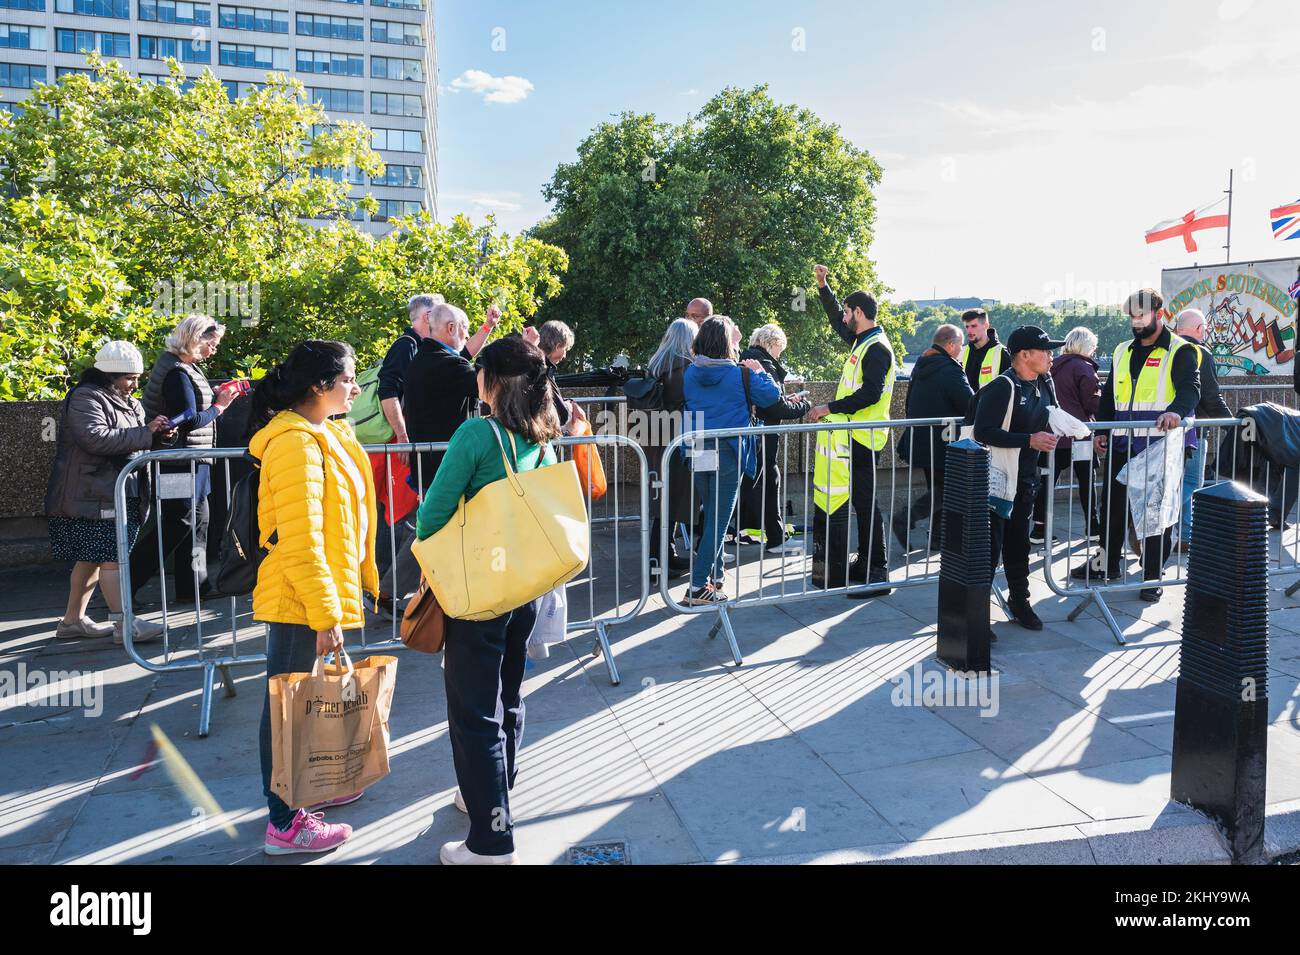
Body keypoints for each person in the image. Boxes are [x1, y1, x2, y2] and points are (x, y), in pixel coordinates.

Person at [414, 335, 565, 865]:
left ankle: (491, 843)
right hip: (524, 588)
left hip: (479, 592)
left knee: (473, 712)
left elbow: (431, 517)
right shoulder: (543, 435)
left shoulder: (477, 434)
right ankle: (491, 797)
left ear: (492, 381)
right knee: (509, 697)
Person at [247, 340, 378, 856]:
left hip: (315, 592)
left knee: (302, 700)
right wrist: (326, 613)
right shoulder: (295, 445)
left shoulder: (330, 433)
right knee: (286, 709)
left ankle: (318, 785)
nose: (356, 387)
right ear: (319, 386)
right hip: (298, 595)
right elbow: (301, 539)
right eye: (348, 379)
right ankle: (283, 822)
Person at [370, 296, 499, 616]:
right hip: (441, 462)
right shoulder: (439, 361)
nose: (467, 335)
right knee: (429, 528)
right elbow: (483, 384)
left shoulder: (427, 357)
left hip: (431, 460)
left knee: (427, 526)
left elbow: (465, 356)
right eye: (465, 328)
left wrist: (486, 328)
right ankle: (390, 591)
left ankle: (398, 590)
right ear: (451, 328)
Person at [1073, 289, 1200, 601]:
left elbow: (1191, 389)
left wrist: (1176, 411)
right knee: (1113, 507)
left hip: (1162, 445)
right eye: (1131, 316)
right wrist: (1102, 430)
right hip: (1122, 442)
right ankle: (1107, 564)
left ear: (1159, 313)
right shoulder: (1121, 351)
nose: (1136, 321)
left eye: (1141, 315)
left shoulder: (1180, 350)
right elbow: (1109, 398)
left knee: (1157, 513)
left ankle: (1152, 576)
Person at [46, 342, 172, 644]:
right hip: (95, 493)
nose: (135, 384)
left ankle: (72, 621)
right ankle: (125, 624)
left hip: (111, 490)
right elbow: (95, 439)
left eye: (138, 377)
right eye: (129, 377)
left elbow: (136, 439)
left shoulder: (125, 399)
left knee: (92, 558)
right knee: (112, 557)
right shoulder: (85, 396)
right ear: (109, 375)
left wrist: (159, 434)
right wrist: (146, 432)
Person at [131, 315, 235, 604]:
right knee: (180, 523)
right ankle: (127, 583)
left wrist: (211, 397)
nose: (213, 350)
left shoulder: (180, 367)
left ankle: (194, 587)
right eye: (210, 343)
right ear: (194, 338)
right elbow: (190, 418)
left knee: (196, 521)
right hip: (179, 459)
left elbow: (186, 407)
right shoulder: (178, 372)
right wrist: (220, 406)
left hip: (188, 458)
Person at [682, 317, 781, 604]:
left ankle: (717, 578)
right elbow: (772, 396)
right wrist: (759, 370)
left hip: (697, 447)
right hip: (729, 450)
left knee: (711, 514)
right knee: (719, 519)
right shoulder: (740, 374)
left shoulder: (690, 373)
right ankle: (698, 586)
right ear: (727, 344)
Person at [808, 264, 894, 592]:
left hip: (865, 436)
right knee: (861, 501)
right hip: (855, 434)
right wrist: (822, 286)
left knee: (866, 502)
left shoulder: (877, 348)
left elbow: (870, 393)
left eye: (847, 312)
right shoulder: (863, 341)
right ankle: (869, 562)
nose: (844, 318)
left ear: (859, 312)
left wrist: (827, 407)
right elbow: (833, 321)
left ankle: (877, 569)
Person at [973, 326, 1064, 631]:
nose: (1051, 356)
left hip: (1025, 480)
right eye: (1046, 351)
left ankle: (1019, 601)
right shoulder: (1003, 386)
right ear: (1024, 355)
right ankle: (976, 618)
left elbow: (1051, 415)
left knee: (1018, 546)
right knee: (989, 550)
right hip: (996, 482)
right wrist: (1029, 440)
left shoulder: (1044, 382)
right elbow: (983, 432)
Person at [892, 323, 973, 551]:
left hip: (923, 438)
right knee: (946, 489)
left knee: (939, 488)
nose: (962, 348)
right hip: (944, 440)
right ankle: (906, 519)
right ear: (950, 345)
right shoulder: (950, 370)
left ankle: (938, 537)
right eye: (960, 345)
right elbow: (969, 404)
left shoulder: (922, 364)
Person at [738, 323, 811, 555]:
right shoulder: (765, 365)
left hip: (751, 433)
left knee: (751, 482)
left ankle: (744, 531)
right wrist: (804, 405)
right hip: (763, 434)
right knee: (770, 481)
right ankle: (775, 539)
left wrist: (783, 398)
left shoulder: (745, 359)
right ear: (772, 344)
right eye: (780, 349)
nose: (781, 354)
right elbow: (776, 407)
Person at [1031, 326, 1101, 544]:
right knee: (1087, 480)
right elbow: (1092, 402)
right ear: (1088, 347)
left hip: (1052, 432)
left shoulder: (1051, 366)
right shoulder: (1084, 368)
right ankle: (1093, 526)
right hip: (1078, 433)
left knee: (1046, 481)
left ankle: (1039, 529)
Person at [1174, 307, 1233, 551]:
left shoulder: (1166, 349)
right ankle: (1163, 522)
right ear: (1199, 329)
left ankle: (1184, 535)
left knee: (1176, 482)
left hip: (1163, 428)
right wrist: (1232, 424)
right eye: (1205, 329)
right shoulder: (1200, 352)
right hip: (1194, 430)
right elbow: (1211, 397)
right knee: (1190, 482)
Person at [645, 318, 698, 576]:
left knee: (664, 500)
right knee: (674, 499)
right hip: (679, 438)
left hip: (657, 436)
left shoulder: (657, 364)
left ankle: (663, 555)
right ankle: (663, 557)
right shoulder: (686, 367)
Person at [537, 319, 585, 434]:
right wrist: (570, 407)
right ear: (558, 346)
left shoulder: (539, 367)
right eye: (566, 349)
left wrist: (569, 403)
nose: (565, 356)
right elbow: (561, 414)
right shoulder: (543, 370)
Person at [959, 308, 1011, 393]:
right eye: (967, 327)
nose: (969, 331)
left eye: (973, 326)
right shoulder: (960, 353)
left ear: (986, 325)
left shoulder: (1002, 354)